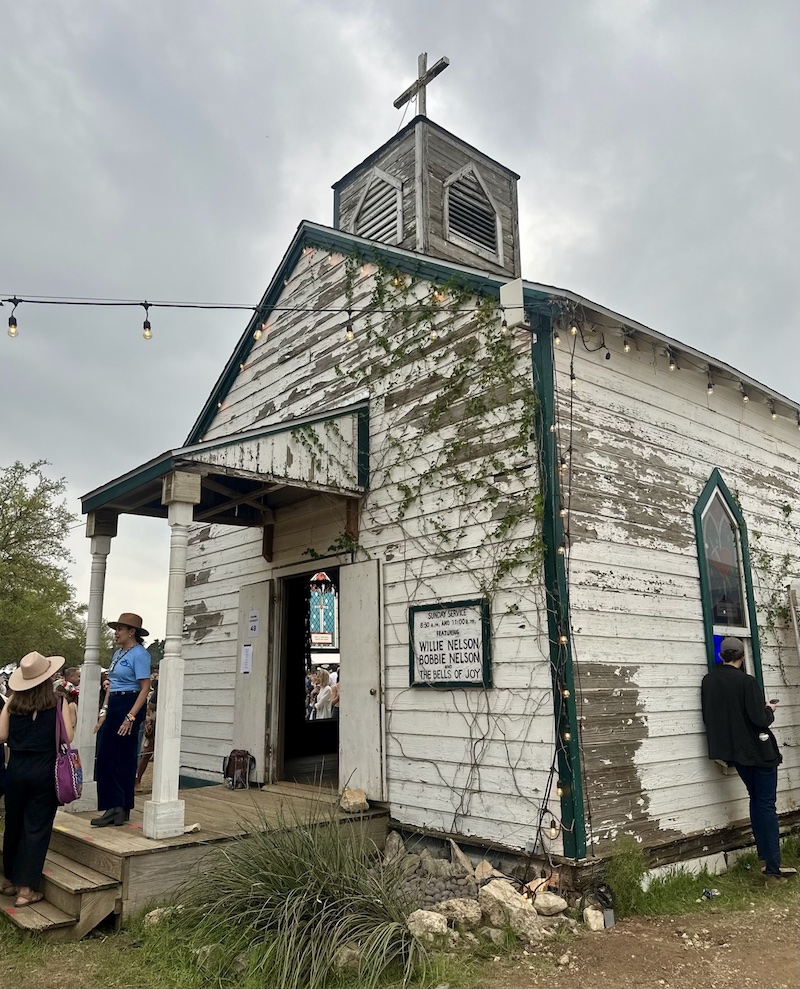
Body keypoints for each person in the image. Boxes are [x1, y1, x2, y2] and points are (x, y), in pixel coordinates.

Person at [701, 636, 796, 883]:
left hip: (736, 754)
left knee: (756, 802)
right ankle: (773, 870)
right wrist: (769, 709)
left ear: (721, 656)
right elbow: (759, 720)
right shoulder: (747, 681)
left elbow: (712, 715)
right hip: (760, 754)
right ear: (741, 658)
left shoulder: (709, 681)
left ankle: (767, 860)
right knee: (766, 806)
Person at [0, 651, 74, 907]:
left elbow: (1, 735)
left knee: (14, 823)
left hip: (17, 769)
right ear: (47, 677)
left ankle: (9, 880)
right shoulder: (57, 702)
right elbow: (67, 738)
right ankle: (26, 889)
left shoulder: (14, 703)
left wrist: (9, 703)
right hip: (45, 769)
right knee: (36, 827)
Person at [91, 612, 151, 828]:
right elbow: (112, 684)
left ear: (131, 632)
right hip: (115, 703)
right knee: (106, 756)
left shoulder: (140, 655)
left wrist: (131, 716)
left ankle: (119, 806)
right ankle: (115, 806)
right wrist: (103, 711)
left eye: (120, 629)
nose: (116, 633)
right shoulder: (117, 654)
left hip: (130, 703)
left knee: (122, 757)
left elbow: (145, 688)